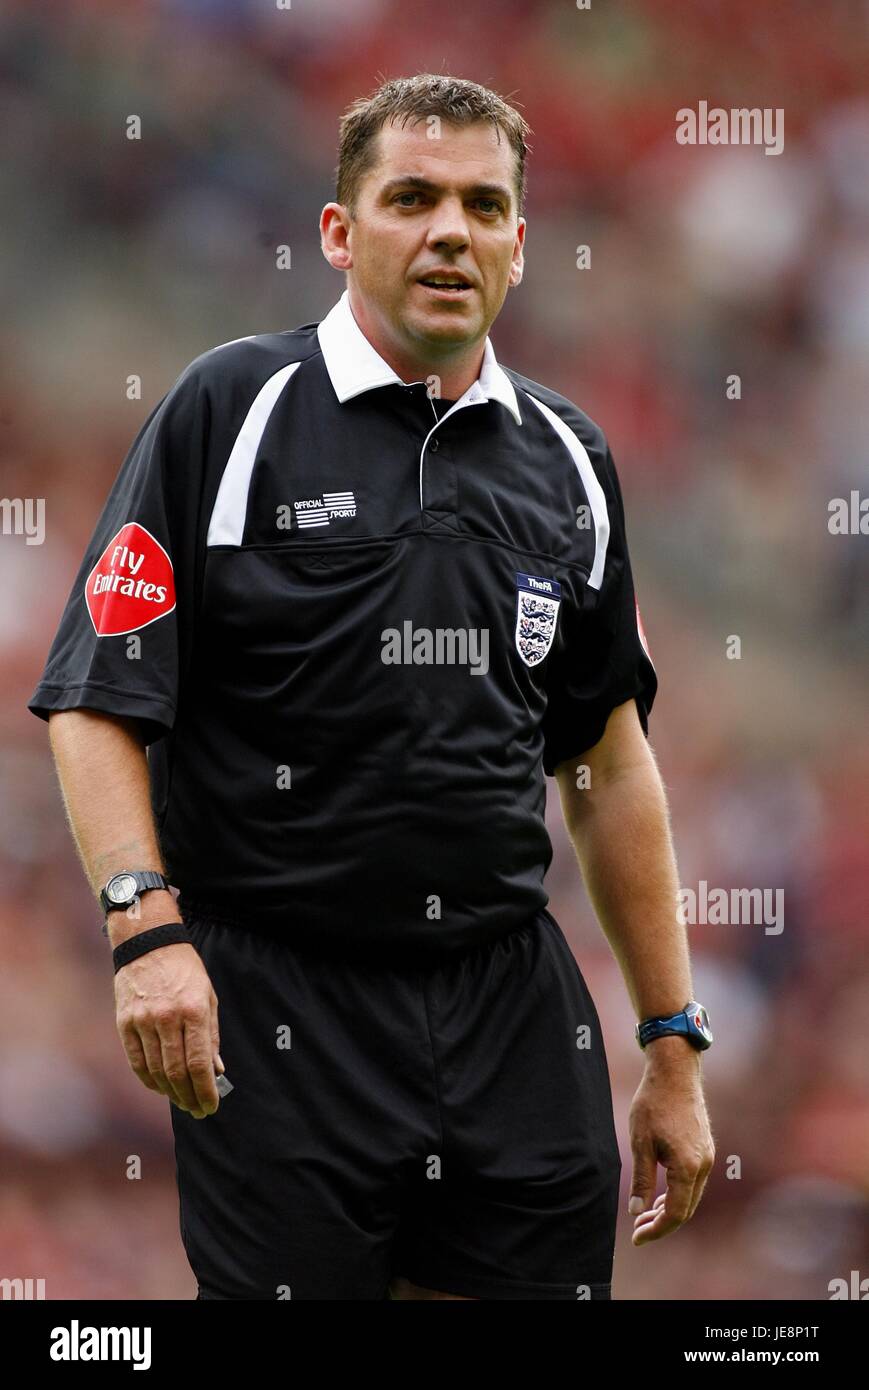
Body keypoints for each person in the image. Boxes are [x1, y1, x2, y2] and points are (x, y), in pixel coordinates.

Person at [28, 73, 714, 1301]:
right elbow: (96, 698)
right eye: (411, 198)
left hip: (507, 999)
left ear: (518, 244)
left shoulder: (569, 459)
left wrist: (669, 1037)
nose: (450, 230)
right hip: (279, 1000)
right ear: (340, 233)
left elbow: (606, 764)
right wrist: (146, 934)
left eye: (481, 206)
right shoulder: (228, 410)